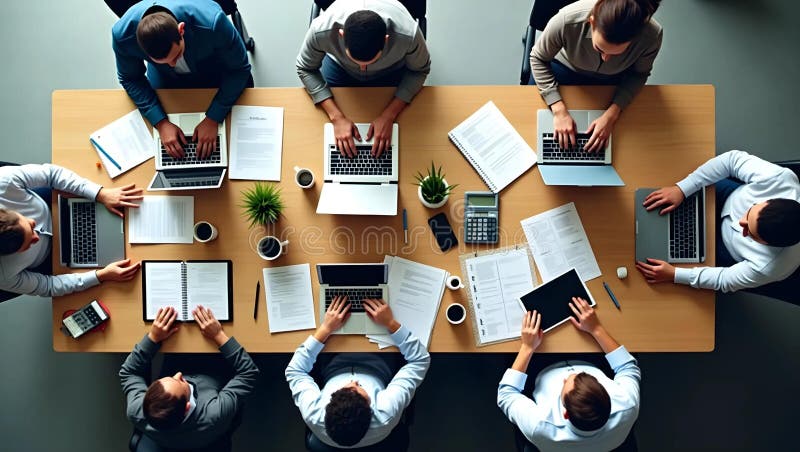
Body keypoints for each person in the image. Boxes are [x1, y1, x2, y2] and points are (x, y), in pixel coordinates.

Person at [635, 150, 800, 293]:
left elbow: (724, 279)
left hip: (723, 250)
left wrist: (674, 274)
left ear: (768, 244)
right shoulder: (781, 180)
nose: (740, 222)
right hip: (725, 196)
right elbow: (731, 161)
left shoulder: (772, 266)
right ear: (769, 200)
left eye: (750, 233)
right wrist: (682, 189)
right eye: (750, 212)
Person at [112, 0, 253, 159]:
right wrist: (161, 123)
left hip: (215, 73)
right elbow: (130, 78)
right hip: (165, 79)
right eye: (164, 61)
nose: (173, 64)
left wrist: (213, 118)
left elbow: (239, 69)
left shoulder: (213, 22)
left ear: (181, 30)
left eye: (176, 55)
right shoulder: (122, 36)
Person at [285, 296, 430, 448]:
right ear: (372, 409)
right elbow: (420, 360)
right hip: (379, 359)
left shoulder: (314, 413)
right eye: (359, 387)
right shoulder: (386, 411)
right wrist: (390, 323)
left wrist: (326, 329)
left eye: (344, 388)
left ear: (328, 404)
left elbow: (295, 370)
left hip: (333, 359)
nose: (353, 381)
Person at [498, 298, 641, 451]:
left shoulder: (540, 426)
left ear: (565, 414)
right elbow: (627, 367)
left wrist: (527, 347)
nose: (566, 377)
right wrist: (596, 328)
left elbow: (506, 394)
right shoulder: (627, 405)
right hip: (590, 359)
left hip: (539, 367)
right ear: (607, 398)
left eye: (565, 384)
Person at [297, 0, 431, 158]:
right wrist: (336, 117)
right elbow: (305, 68)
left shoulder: (409, 34)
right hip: (339, 68)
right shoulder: (321, 29)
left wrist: (389, 115)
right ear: (341, 35)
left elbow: (419, 70)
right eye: (355, 60)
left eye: (370, 61)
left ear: (386, 39)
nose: (361, 67)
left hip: (391, 71)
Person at [119, 305, 259, 449]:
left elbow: (129, 372)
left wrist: (153, 337)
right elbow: (248, 372)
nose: (179, 374)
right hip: (215, 367)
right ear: (187, 407)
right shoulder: (213, 413)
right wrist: (218, 334)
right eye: (180, 381)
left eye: (169, 378)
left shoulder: (137, 410)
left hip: (177, 355)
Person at [530, 0, 662, 152]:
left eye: (616, 53)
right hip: (562, 69)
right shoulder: (567, 20)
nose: (605, 58)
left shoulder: (652, 36)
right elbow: (538, 58)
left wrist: (611, 116)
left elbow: (639, 74)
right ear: (591, 22)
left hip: (612, 79)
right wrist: (558, 110)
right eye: (600, 48)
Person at [0, 164, 141, 300]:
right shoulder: (3, 275)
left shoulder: (4, 182)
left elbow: (52, 174)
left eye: (31, 225)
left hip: (53, 205)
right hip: (51, 259)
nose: (37, 237)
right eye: (29, 244)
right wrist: (101, 275)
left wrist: (100, 194)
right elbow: (48, 287)